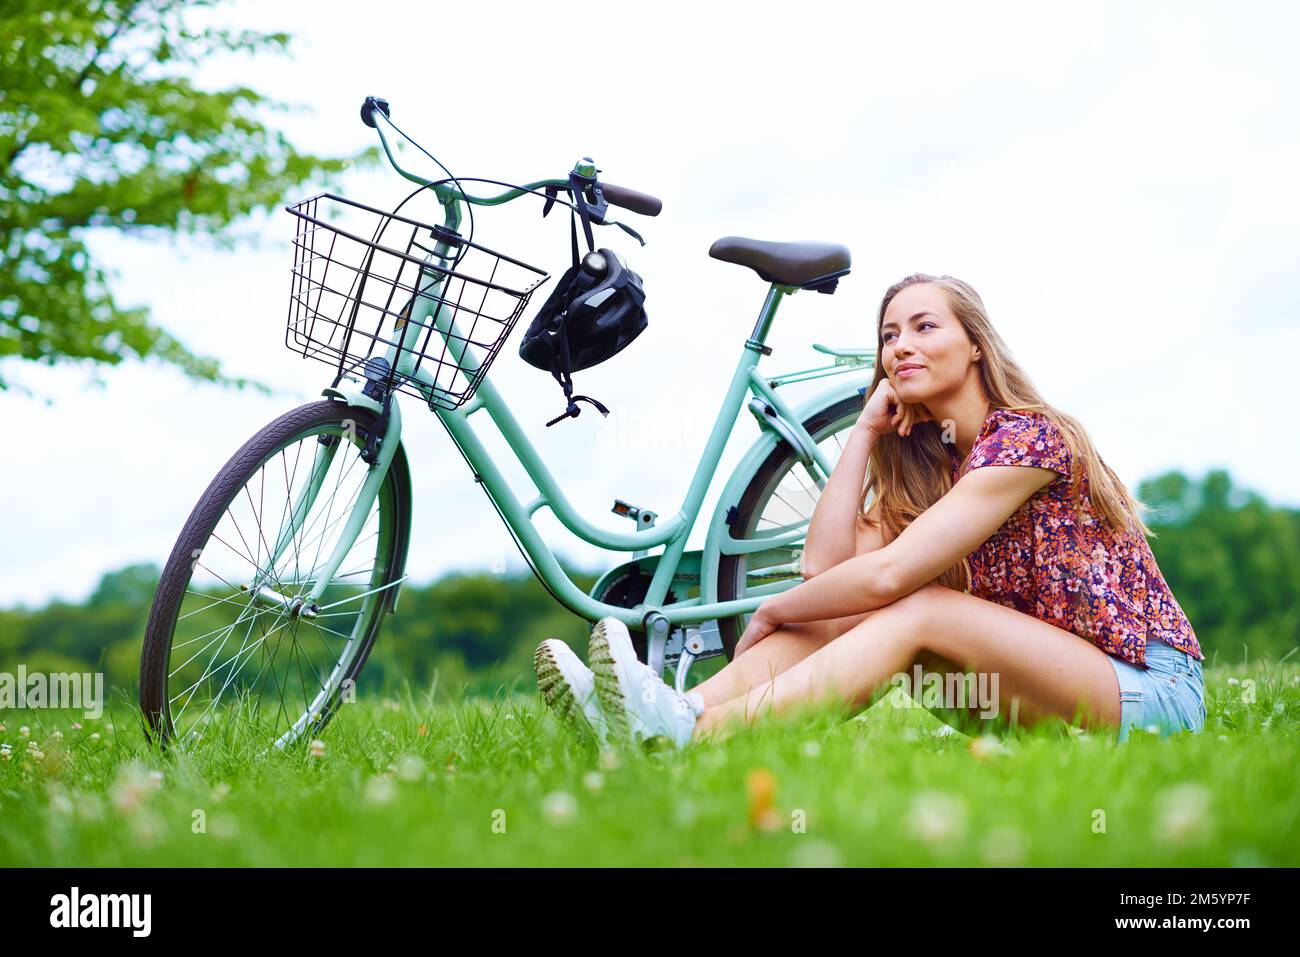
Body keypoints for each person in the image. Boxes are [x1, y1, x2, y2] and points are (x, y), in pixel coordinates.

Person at [534, 272, 1206, 750]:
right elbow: (824, 571)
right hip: (1040, 690)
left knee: (919, 606)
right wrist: (863, 432)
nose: (901, 345)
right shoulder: (933, 465)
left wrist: (773, 610)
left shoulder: (1028, 439)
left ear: (975, 344)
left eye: (924, 326)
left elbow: (887, 576)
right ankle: (669, 712)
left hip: (1147, 691)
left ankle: (690, 735)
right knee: (847, 608)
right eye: (889, 335)